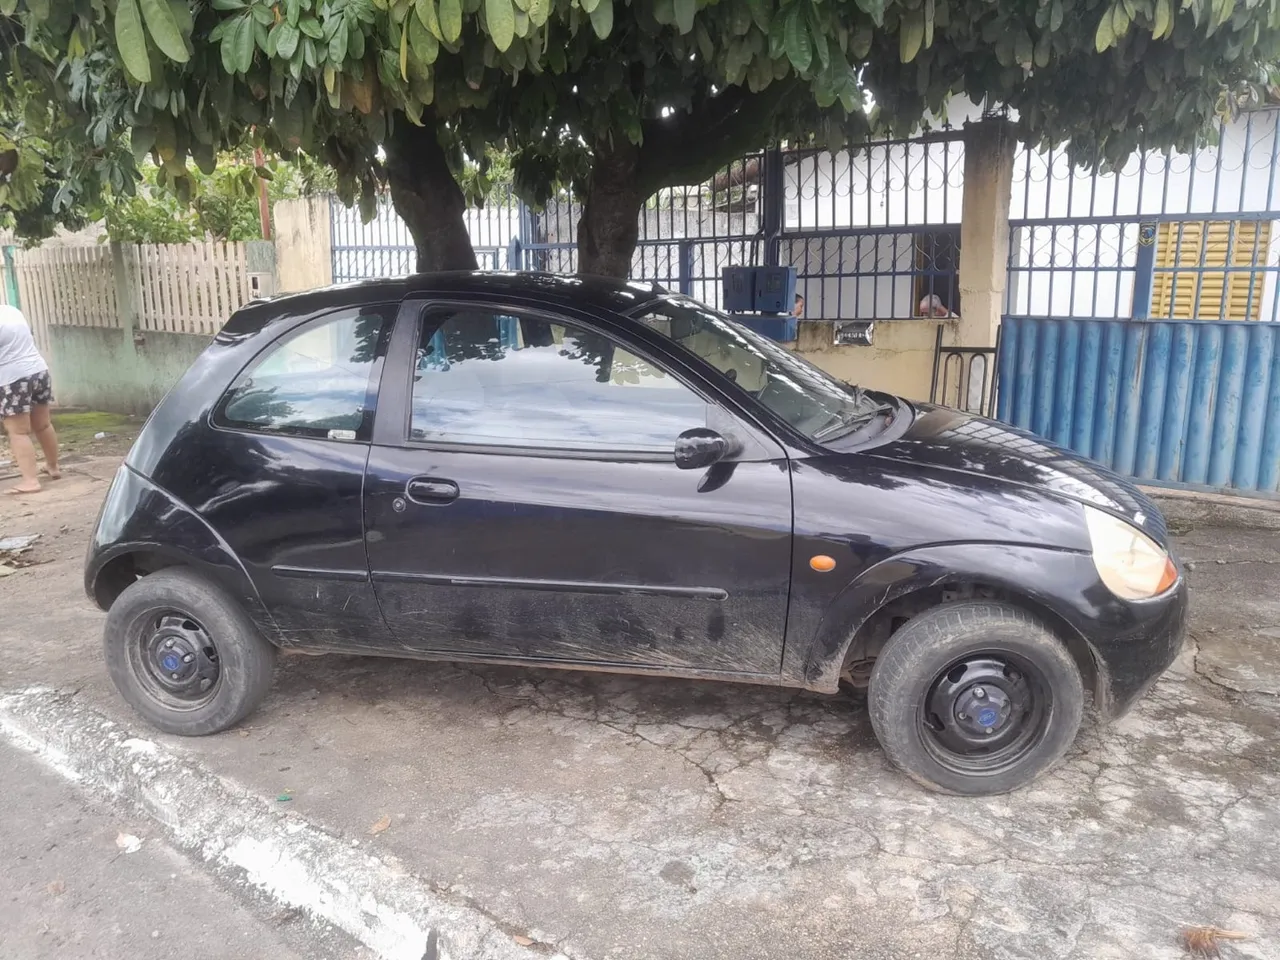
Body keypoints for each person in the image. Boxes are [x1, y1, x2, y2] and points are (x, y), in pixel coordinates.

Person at [0, 303, 59, 495]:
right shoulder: (11, 311)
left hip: (13, 378)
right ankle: (53, 466)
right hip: (38, 370)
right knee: (43, 424)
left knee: (18, 431)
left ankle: (30, 481)